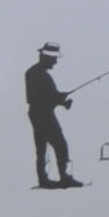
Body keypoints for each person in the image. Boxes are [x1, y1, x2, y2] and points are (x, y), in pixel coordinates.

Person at [25, 44, 77, 189]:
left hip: (38, 114)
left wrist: (60, 100)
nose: (55, 62)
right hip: (43, 115)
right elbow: (41, 98)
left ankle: (44, 179)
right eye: (53, 59)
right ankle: (63, 177)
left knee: (41, 148)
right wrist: (60, 99)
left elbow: (47, 96)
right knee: (60, 145)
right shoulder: (39, 75)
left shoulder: (34, 73)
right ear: (46, 57)